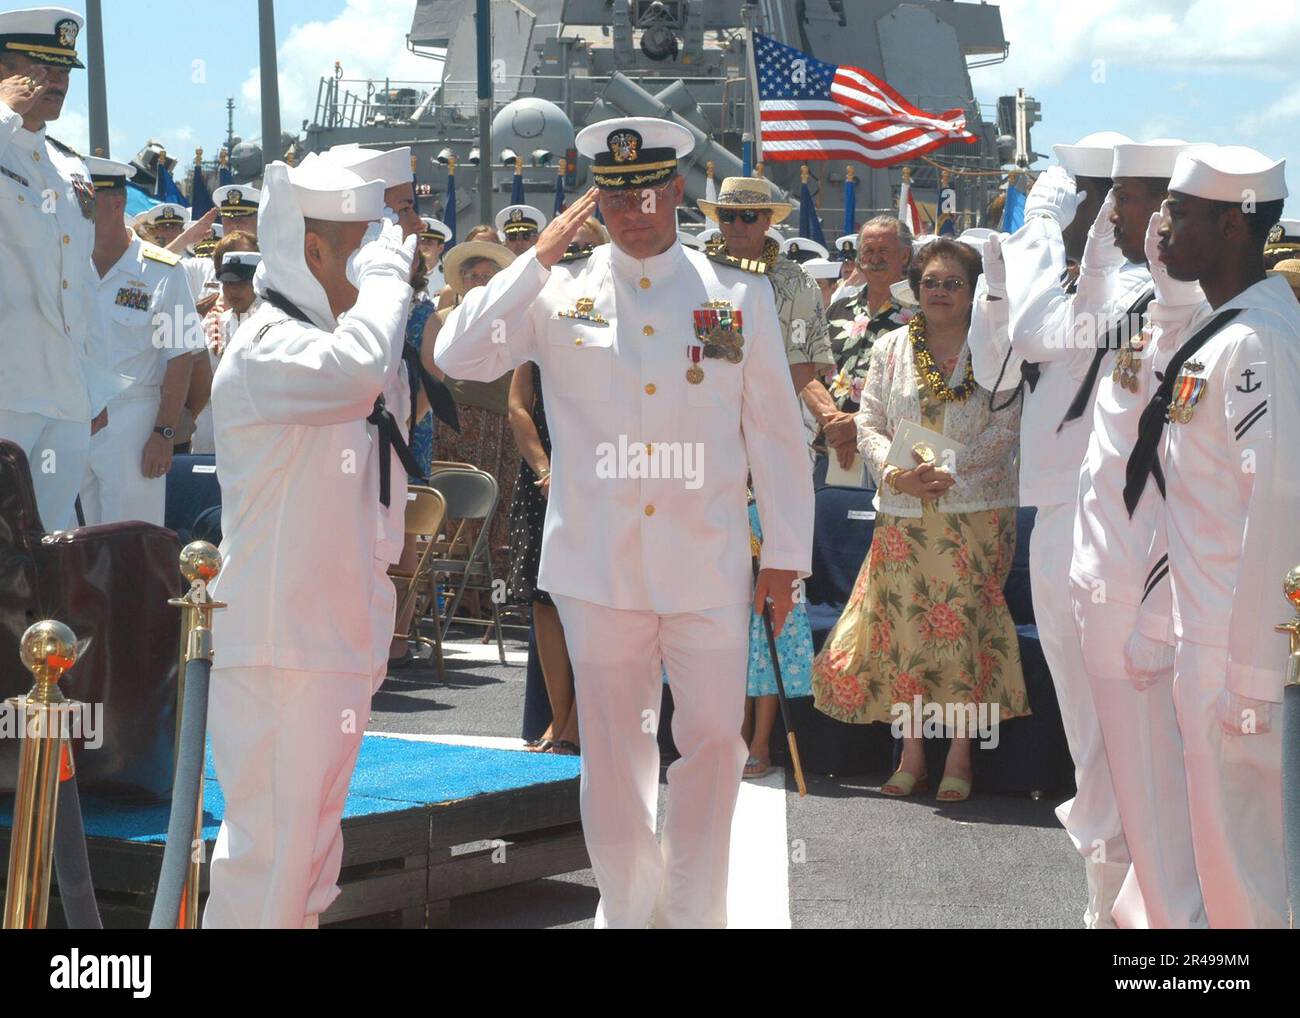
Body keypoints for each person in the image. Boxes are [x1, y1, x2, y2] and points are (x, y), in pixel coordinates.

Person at [435, 116, 812, 929]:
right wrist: (533, 260)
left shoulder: (735, 294)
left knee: (713, 743)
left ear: (676, 191)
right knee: (612, 754)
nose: (633, 213)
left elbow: (777, 432)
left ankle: (695, 913)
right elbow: (457, 356)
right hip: (596, 564)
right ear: (594, 203)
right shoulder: (553, 291)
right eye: (614, 198)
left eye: (647, 194)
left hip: (707, 561)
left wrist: (785, 556)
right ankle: (631, 909)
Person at [204, 155, 416, 928]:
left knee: (311, 864)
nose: (383, 262)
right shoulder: (271, 345)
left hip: (332, 636)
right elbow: (356, 375)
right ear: (316, 251)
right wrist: (386, 278)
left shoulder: (329, 341)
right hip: (282, 646)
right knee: (273, 862)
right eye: (364, 248)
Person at [971, 130, 1145, 928]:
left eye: (1072, 193)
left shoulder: (1138, 288)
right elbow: (994, 369)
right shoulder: (1069, 284)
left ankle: (1129, 895)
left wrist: (1036, 234)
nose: (1060, 205)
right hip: (1056, 513)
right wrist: (998, 283)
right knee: (1085, 720)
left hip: (1114, 518)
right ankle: (1107, 891)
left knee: (1117, 721)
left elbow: (1042, 337)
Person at [1129, 145, 1299, 928]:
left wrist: (1255, 672)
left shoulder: (1258, 341)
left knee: (1248, 875)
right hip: (1206, 638)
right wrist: (1156, 619)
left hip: (1239, 649)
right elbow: (1190, 499)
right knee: (1223, 860)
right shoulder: (1222, 330)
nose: (1163, 226)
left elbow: (1280, 506)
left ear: (1234, 226)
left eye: (1182, 212)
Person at [811, 239, 1026, 802]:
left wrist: (946, 470)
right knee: (907, 633)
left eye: (953, 283)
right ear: (916, 288)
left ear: (974, 292)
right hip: (904, 510)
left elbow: (1005, 430)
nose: (940, 292)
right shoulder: (890, 347)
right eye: (930, 281)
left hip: (975, 510)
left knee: (965, 633)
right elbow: (869, 423)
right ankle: (912, 753)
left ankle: (959, 754)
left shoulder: (998, 349)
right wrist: (897, 474)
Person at [1065, 139, 1207, 929]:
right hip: (1098, 579)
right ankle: (1115, 913)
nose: (1114, 213)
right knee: (1112, 775)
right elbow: (1055, 325)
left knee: (1160, 792)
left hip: (1147, 595)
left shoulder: (1207, 325)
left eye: (1128, 199)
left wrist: (1156, 610)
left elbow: (1189, 482)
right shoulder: (1136, 308)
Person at [697, 176, 831, 777]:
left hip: (774, 450)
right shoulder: (697, 276)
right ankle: (713, 730)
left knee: (774, 598)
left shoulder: (796, 283)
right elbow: (696, 366)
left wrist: (812, 414)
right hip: (707, 451)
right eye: (728, 216)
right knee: (706, 599)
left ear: (770, 221)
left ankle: (760, 739)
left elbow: (806, 365)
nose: (737, 227)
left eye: (749, 217)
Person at [0, 6, 126, 530]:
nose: (57, 81)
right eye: (41, 67)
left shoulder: (70, 168)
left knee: (48, 544)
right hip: (8, 389)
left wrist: (93, 384)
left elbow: (81, 283)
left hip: (65, 394)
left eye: (64, 69)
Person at [78, 157, 197, 526]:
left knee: (130, 538)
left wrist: (164, 432)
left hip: (134, 422)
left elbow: (182, 355)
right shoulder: (66, 266)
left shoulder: (164, 271)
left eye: (86, 202)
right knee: (69, 539)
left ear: (117, 203)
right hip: (72, 420)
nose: (78, 212)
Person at [505, 360, 579, 755]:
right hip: (542, 481)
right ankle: (559, 717)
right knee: (544, 599)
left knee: (591, 601)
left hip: (600, 474)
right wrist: (545, 470)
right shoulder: (536, 335)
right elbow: (518, 406)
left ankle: (580, 721)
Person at [433, 240, 520, 570]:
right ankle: (461, 586)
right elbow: (431, 376)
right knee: (460, 505)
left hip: (503, 422)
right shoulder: (443, 319)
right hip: (456, 422)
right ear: (463, 279)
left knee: (501, 504)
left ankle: (494, 586)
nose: (481, 282)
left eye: (488, 276)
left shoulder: (513, 320)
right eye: (474, 276)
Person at [821, 217, 916, 480]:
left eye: (883, 251)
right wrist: (834, 423)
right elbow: (810, 369)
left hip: (890, 456)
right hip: (831, 449)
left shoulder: (921, 315)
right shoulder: (838, 309)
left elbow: (921, 388)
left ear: (905, 255)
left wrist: (856, 426)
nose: (875, 259)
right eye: (868, 251)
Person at [191, 240, 261, 455]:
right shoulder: (210, 323)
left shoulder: (272, 324)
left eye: (242, 283)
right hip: (210, 424)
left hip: (255, 424)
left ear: (258, 282)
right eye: (228, 283)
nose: (234, 290)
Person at [417, 216, 450, 298]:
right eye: (422, 241)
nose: (424, 246)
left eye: (430, 242)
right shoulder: (409, 272)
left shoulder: (449, 276)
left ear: (440, 248)